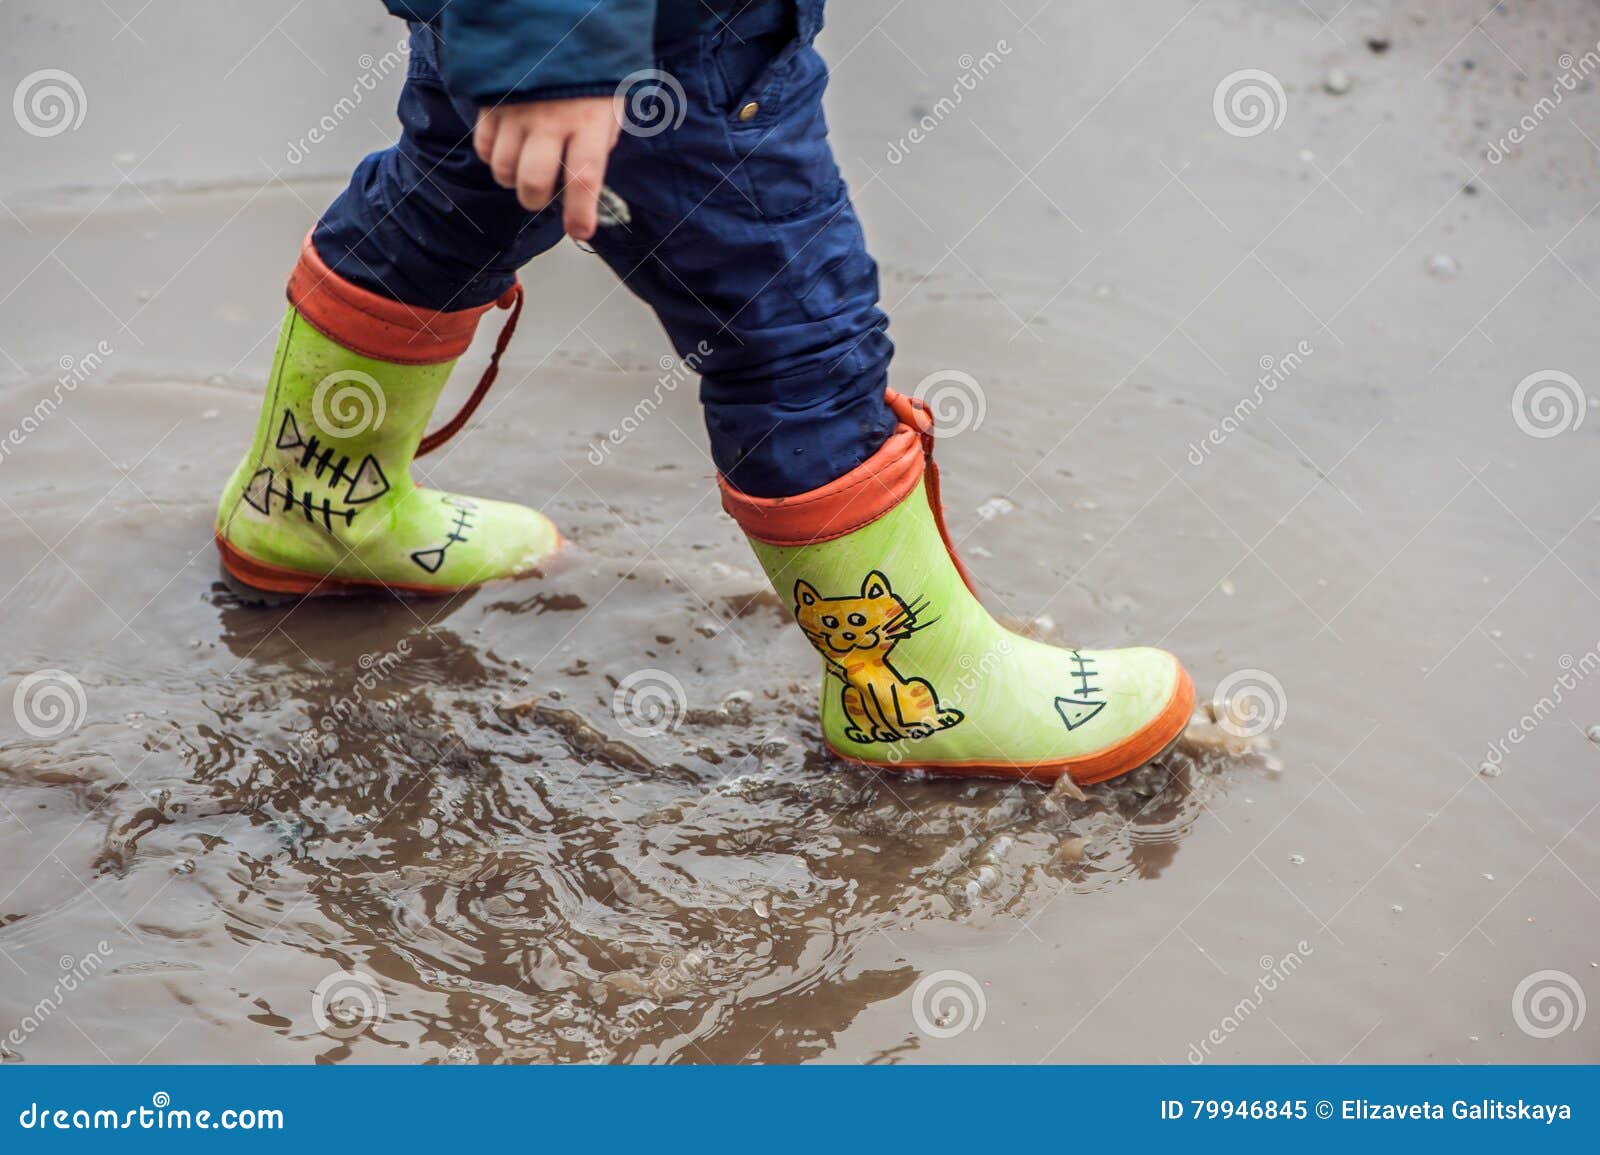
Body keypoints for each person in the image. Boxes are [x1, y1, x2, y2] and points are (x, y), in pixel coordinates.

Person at [214, 0, 1193, 784]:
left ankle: (313, 505)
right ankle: (923, 687)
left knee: (452, 200)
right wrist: (551, 41)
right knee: (795, 318)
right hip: (646, 39)